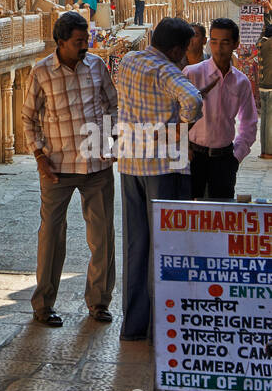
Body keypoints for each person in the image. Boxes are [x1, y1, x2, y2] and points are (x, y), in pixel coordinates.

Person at [116, 17, 216, 341]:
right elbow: (193, 101)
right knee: (165, 246)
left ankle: (133, 327)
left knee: (135, 244)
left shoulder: (130, 59)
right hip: (163, 165)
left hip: (131, 162)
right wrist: (182, 125)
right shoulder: (166, 70)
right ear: (174, 49)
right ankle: (163, 326)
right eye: (185, 49)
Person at [21, 11, 119, 327]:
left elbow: (113, 105)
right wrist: (38, 156)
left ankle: (100, 302)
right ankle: (43, 305)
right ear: (61, 42)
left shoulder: (97, 66)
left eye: (86, 39)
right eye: (78, 41)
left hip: (96, 165)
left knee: (102, 236)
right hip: (56, 167)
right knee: (51, 237)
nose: (85, 46)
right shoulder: (41, 72)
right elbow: (28, 119)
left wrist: (112, 139)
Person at [185, 18, 257, 200]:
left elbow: (249, 123)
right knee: (189, 216)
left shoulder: (241, 82)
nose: (218, 48)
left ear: (235, 44)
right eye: (214, 42)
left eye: (225, 42)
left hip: (224, 159)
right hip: (193, 157)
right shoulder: (192, 73)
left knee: (221, 216)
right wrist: (182, 148)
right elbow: (172, 114)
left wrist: (236, 157)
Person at [259, 25, 272, 158]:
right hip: (270, 87)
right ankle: (269, 152)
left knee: (264, 121)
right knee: (270, 122)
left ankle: (264, 150)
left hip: (263, 86)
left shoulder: (262, 43)